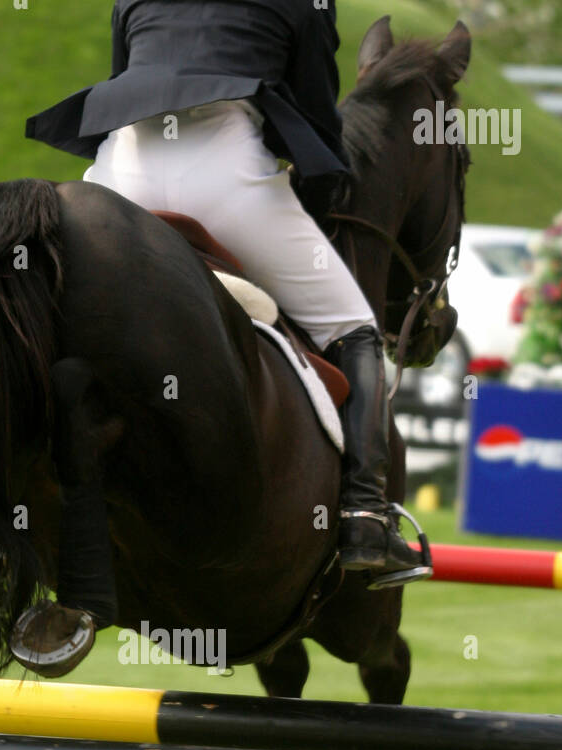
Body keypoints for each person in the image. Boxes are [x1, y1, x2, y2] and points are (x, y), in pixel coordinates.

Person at [25, 0, 426, 584]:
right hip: (224, 167)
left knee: (44, 314)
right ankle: (366, 515)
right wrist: (305, 222)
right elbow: (317, 127)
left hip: (123, 166)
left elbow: (127, 82)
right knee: (354, 329)